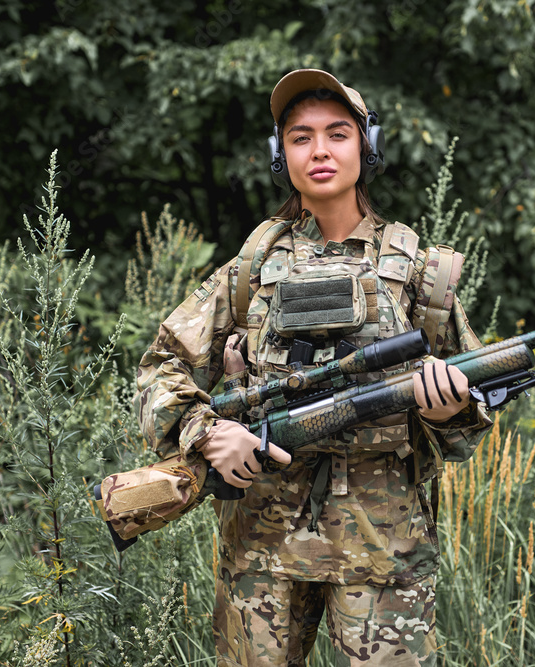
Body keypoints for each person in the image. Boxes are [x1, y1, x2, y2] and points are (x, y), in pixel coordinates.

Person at [134, 69, 492, 666]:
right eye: (300, 137)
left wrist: (451, 408)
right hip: (261, 553)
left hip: (385, 555)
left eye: (338, 133)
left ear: (366, 146)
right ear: (281, 154)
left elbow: (471, 417)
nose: (320, 151)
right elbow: (159, 370)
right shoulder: (250, 272)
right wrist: (207, 432)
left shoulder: (422, 276)